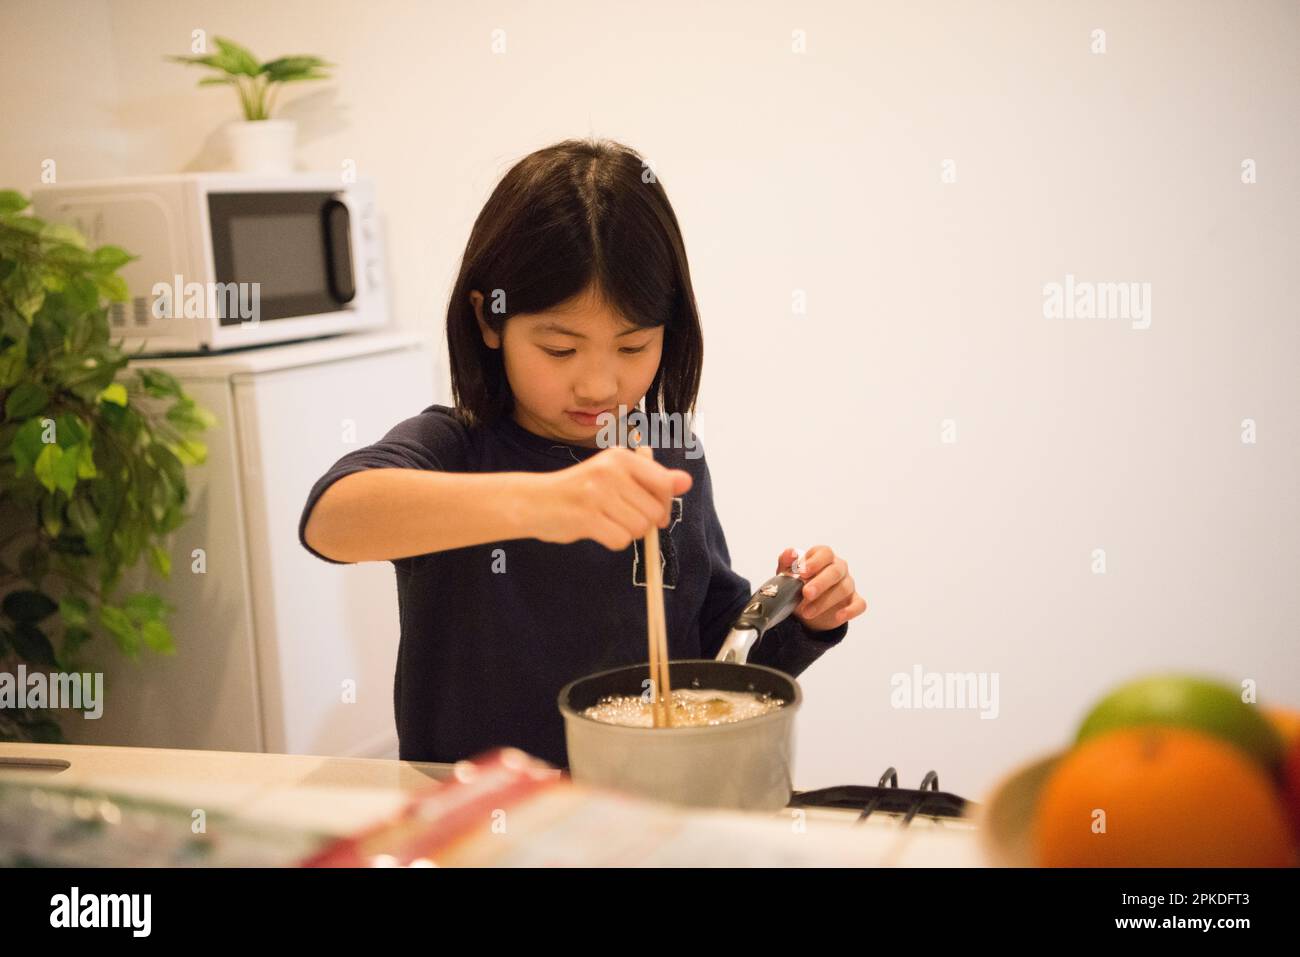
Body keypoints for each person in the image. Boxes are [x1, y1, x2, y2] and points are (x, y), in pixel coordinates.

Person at [299, 138, 867, 767]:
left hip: (647, 803)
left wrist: (806, 618)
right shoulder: (456, 447)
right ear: (490, 322)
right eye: (560, 350)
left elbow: (711, 653)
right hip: (476, 823)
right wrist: (544, 502)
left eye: (632, 348)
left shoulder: (670, 457)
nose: (600, 386)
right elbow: (332, 520)